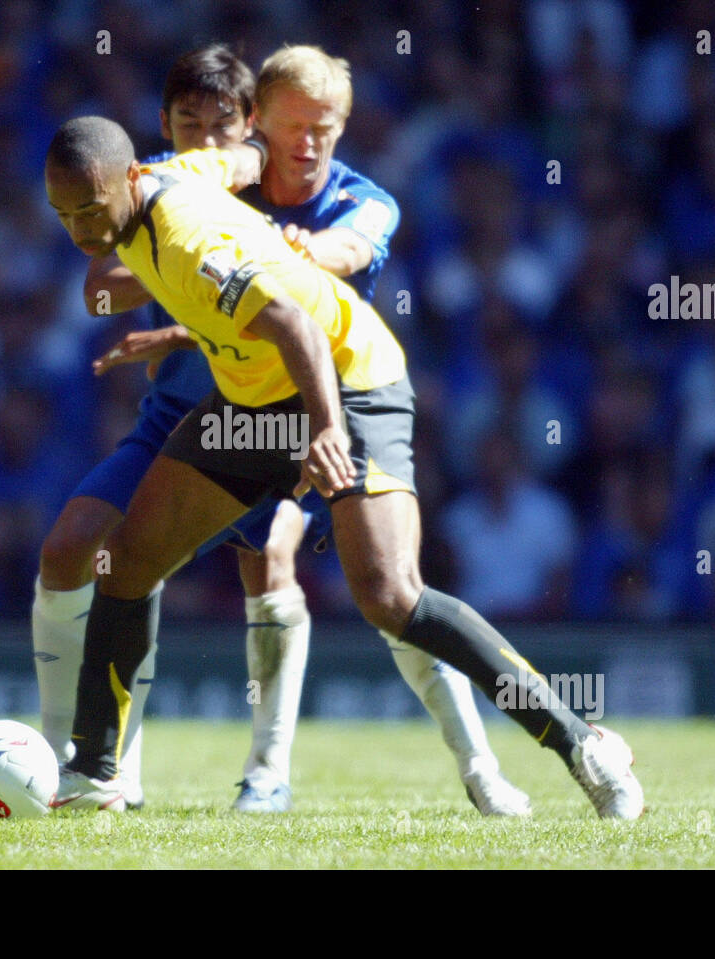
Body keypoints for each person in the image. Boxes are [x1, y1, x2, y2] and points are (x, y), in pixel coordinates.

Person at [42, 114, 645, 819]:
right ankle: (94, 770)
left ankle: (584, 744)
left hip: (349, 381)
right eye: (63, 214)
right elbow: (239, 166)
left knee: (392, 596)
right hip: (257, 396)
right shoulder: (176, 176)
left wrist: (326, 429)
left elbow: (294, 322)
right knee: (130, 555)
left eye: (90, 208)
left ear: (130, 180)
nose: (82, 229)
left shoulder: (182, 237)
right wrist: (258, 152)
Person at [91, 45, 529, 815]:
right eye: (292, 126)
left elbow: (321, 269)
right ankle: (222, 772)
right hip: (246, 408)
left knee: (383, 591)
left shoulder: (366, 201)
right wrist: (171, 324)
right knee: (227, 560)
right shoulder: (216, 182)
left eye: (322, 128)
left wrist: (281, 253)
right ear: (264, 125)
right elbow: (162, 289)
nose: (306, 142)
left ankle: (480, 766)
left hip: (346, 407)